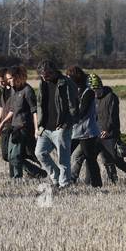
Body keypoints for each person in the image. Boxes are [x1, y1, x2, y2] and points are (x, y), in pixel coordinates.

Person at [92, 74, 126, 186]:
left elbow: (113, 116)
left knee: (117, 161)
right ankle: (113, 181)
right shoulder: (92, 99)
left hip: (111, 135)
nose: (95, 92)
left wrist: (107, 130)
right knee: (98, 159)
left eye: (97, 89)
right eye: (93, 90)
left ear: (101, 87)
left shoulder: (111, 97)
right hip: (96, 134)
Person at [34, 60, 78, 189]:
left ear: (54, 72)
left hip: (61, 127)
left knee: (63, 159)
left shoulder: (67, 83)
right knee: (39, 153)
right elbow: (39, 104)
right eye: (42, 74)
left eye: (46, 74)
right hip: (45, 127)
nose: (44, 77)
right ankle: (56, 177)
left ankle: (64, 184)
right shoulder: (42, 83)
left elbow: (74, 106)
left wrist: (67, 123)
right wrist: (39, 125)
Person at [67, 66, 103, 187]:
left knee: (90, 158)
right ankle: (65, 180)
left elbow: (82, 112)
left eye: (69, 78)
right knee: (65, 155)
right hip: (74, 131)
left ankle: (97, 184)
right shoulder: (72, 91)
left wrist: (68, 118)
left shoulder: (88, 93)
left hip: (87, 132)